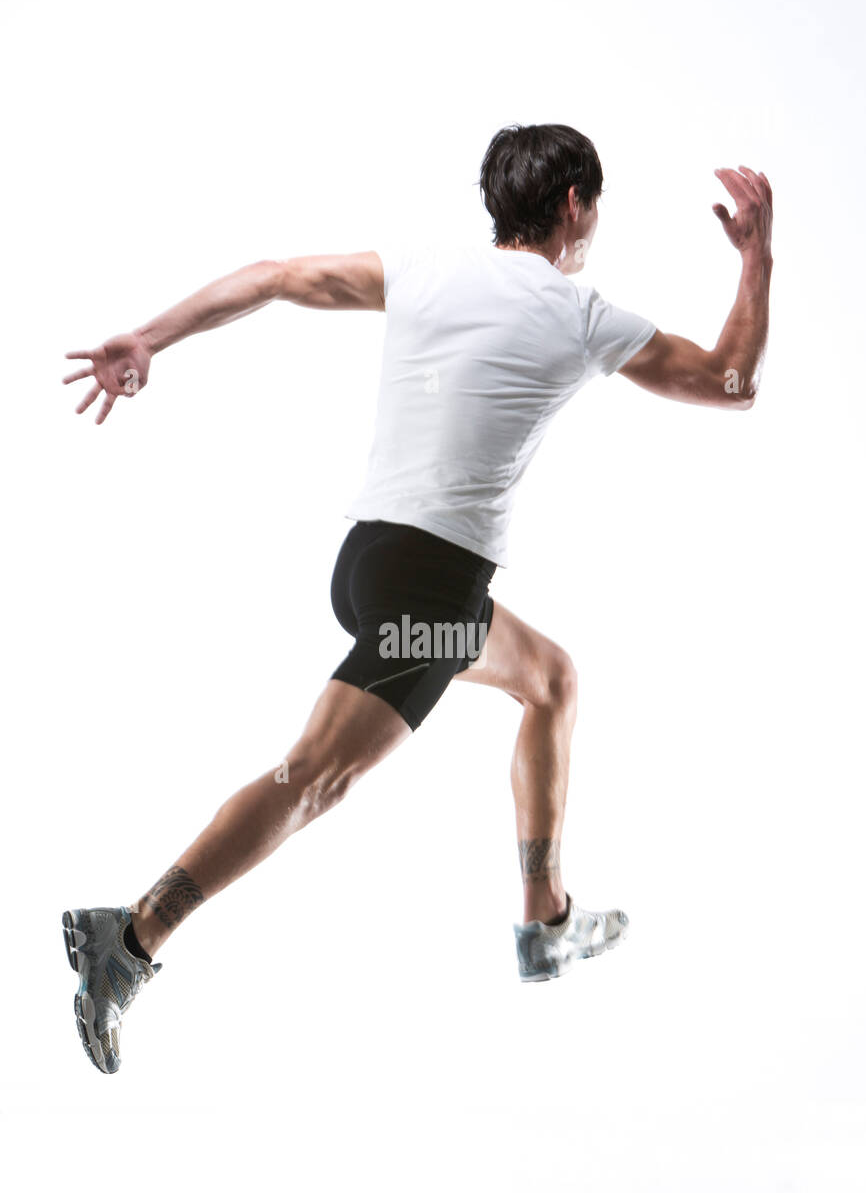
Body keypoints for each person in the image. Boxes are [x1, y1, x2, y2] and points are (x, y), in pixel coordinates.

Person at [61, 123, 773, 1073]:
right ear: (574, 205)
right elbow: (733, 383)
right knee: (313, 778)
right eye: (595, 207)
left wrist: (151, 334)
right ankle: (135, 936)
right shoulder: (581, 311)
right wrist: (758, 258)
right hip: (431, 588)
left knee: (551, 679)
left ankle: (544, 921)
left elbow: (274, 275)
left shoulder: (425, 271)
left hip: (371, 567)